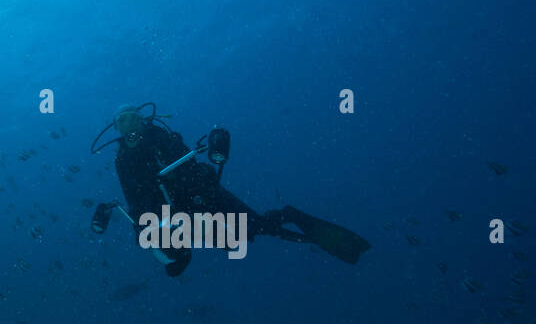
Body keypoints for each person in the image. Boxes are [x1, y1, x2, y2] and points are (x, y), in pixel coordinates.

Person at [90, 103, 370, 277]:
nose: (127, 125)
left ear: (142, 119)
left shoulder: (162, 137)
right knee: (178, 260)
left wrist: (211, 159)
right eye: (120, 122)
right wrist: (142, 223)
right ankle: (185, 250)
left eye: (131, 118)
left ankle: (297, 220)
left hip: (202, 196)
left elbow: (193, 164)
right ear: (115, 129)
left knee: (255, 229)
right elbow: (132, 196)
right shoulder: (122, 159)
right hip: (170, 213)